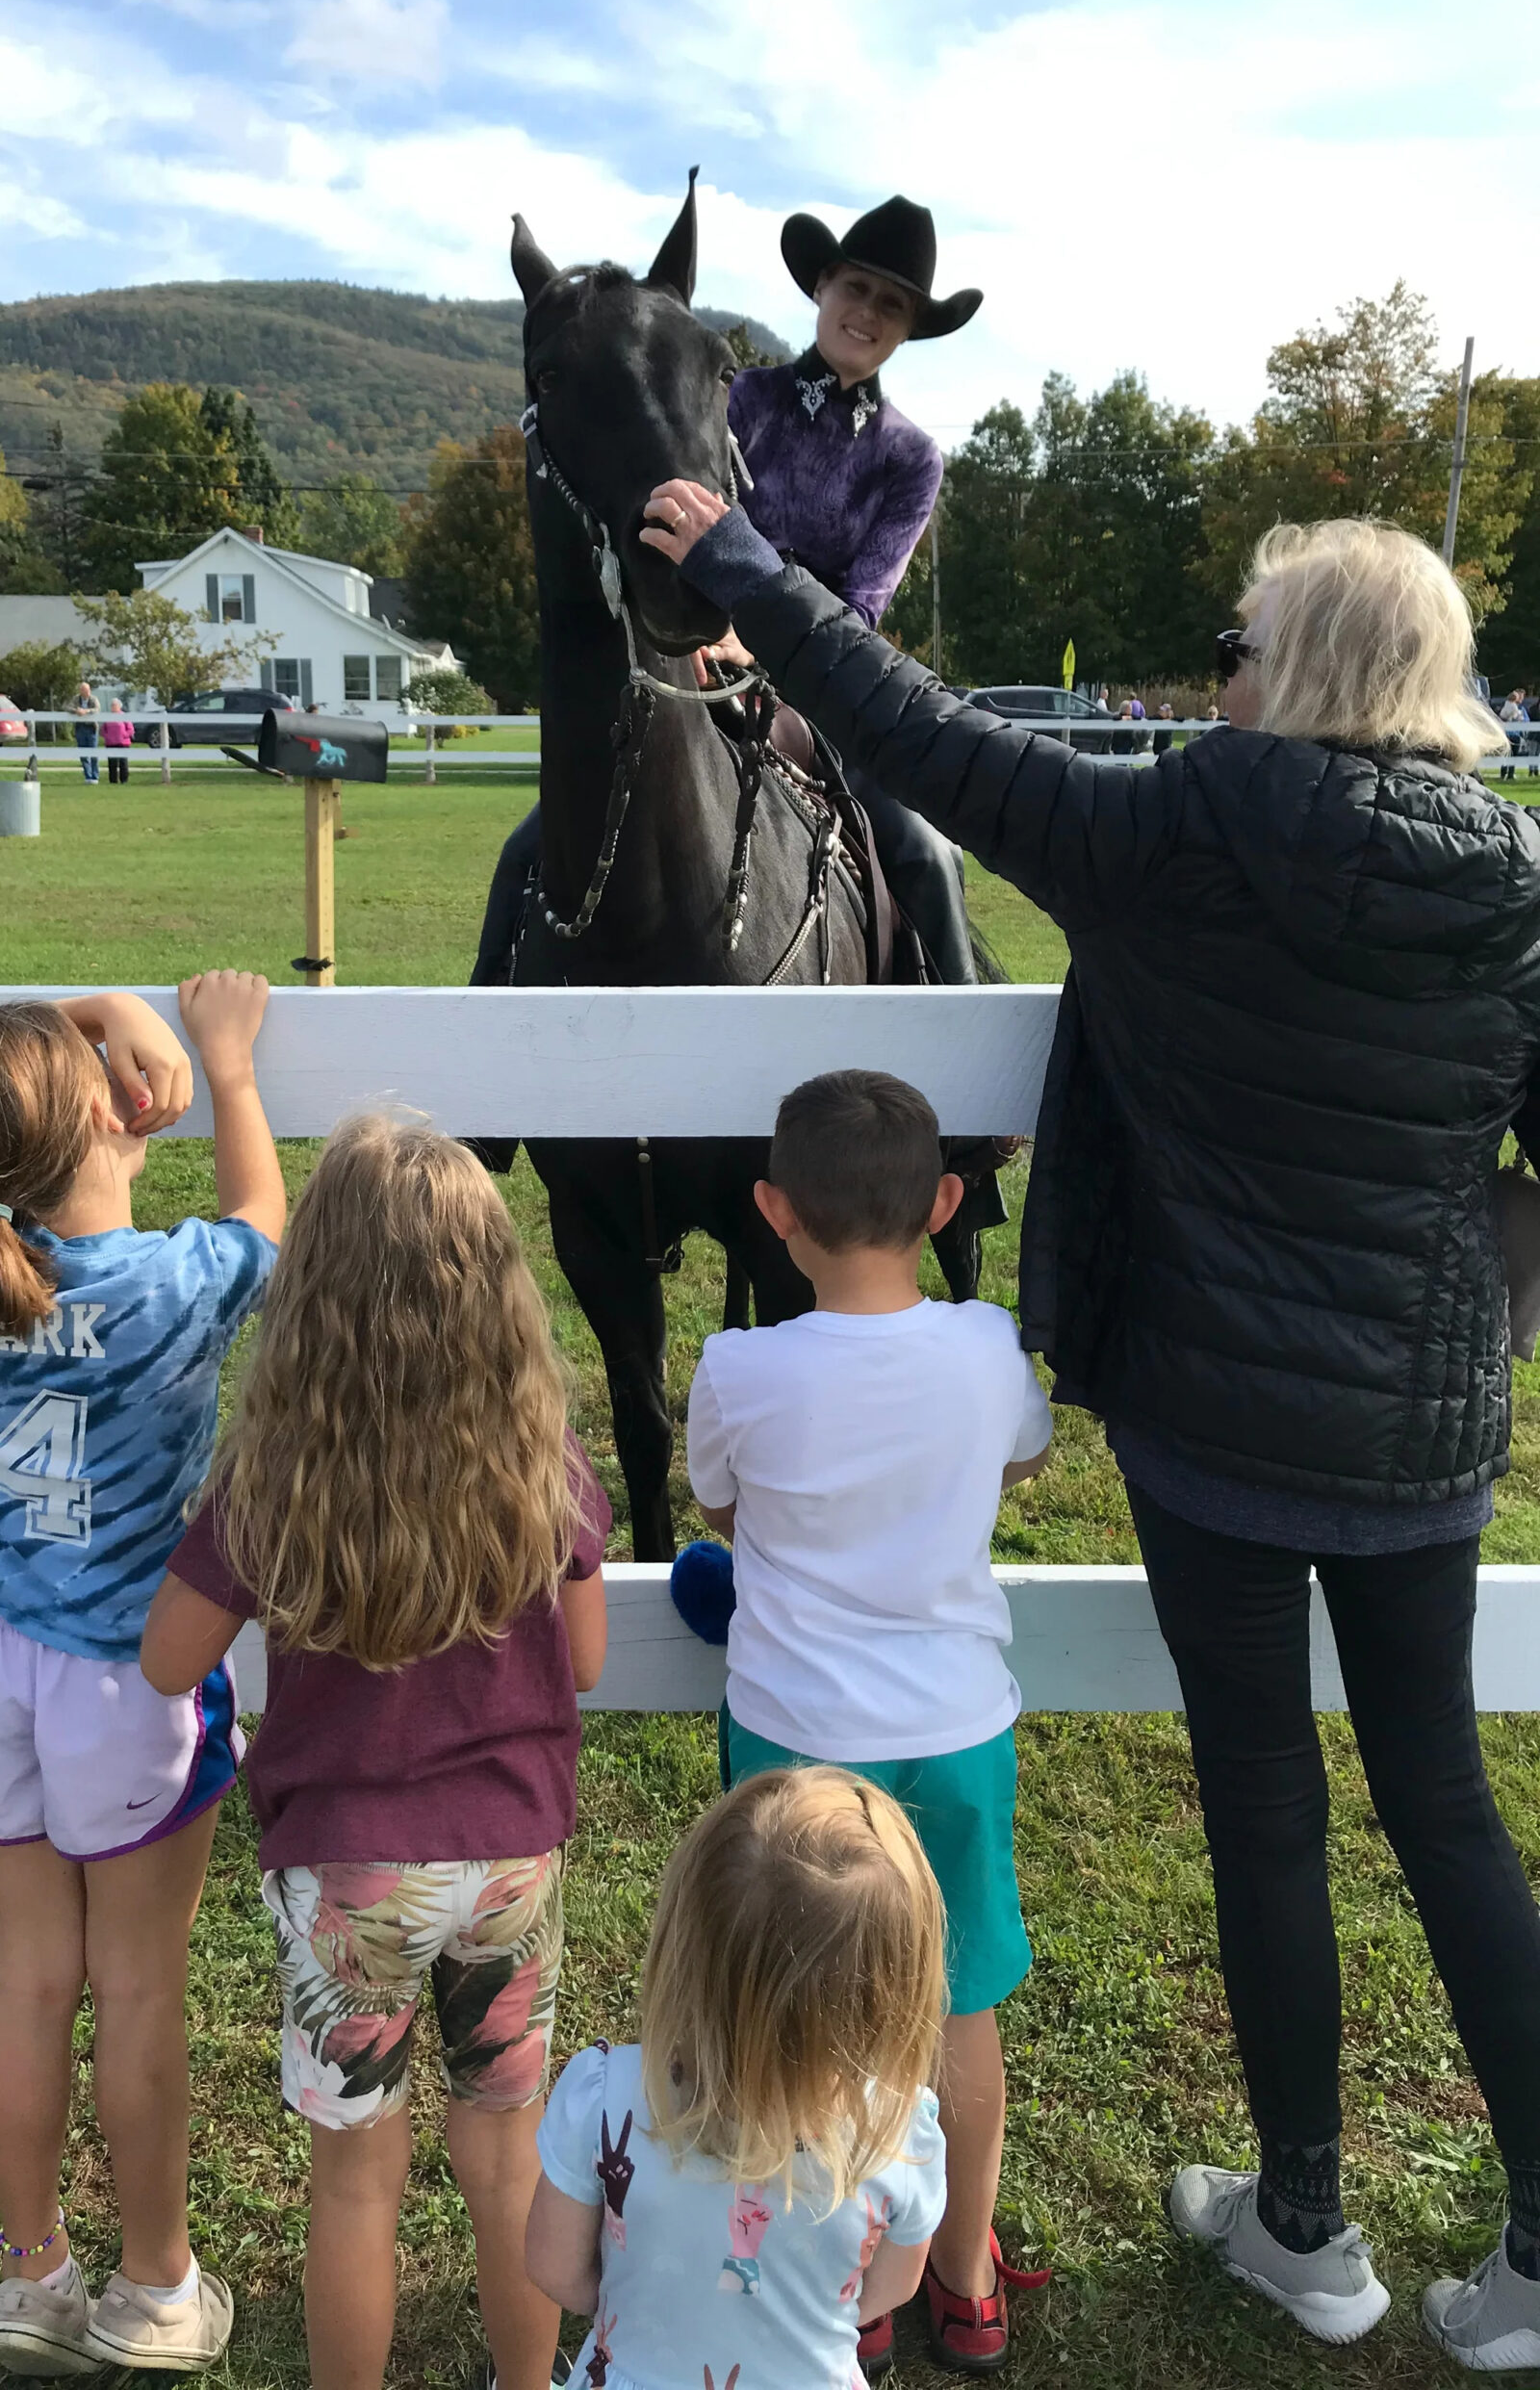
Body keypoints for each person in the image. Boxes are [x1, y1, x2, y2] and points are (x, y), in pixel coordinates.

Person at [642, 490, 1540, 2365]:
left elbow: (910, 728)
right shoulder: (1505, 878)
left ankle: (1310, 2217)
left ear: (1282, 664)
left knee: (1268, 1808)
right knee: (1446, 1806)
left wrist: (743, 564)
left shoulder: (1174, 830)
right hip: (1420, 1425)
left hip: (1215, 1417)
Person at [140, 1113, 612, 2390]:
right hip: (510, 1856)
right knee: (509, 2156)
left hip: (349, 1876)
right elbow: (587, 1662)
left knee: (357, 2180)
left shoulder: (275, 1476)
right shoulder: (542, 1460)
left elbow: (168, 1662)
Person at [0, 974, 286, 2376]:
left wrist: (91, 1019)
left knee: (25, 1977)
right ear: (121, 1123)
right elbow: (264, 1223)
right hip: (123, 1682)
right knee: (136, 1989)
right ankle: (156, 2283)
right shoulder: (172, 1287)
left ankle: (31, 2273)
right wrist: (218, 1062)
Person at [682, 1069, 1052, 2375]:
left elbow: (722, 1510)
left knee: (802, 2004)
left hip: (795, 1739)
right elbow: (1024, 1455)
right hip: (955, 1725)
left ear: (773, 1212)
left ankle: (850, 2282)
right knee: (955, 2002)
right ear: (947, 1201)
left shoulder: (738, 1367)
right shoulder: (986, 1345)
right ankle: (964, 2278)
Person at [473, 194, 986, 991]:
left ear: (908, 327)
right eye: (857, 290)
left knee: (924, 852)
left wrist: (763, 633)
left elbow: (864, 602)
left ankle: (969, 1090)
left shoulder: (911, 457)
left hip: (830, 685)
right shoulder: (734, 398)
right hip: (694, 668)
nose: (867, 314)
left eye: (892, 305)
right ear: (823, 288)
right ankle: (476, 1093)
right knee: (527, 856)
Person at [525, 1763, 948, 2390]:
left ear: (682, 1940)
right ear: (896, 1991)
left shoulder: (604, 2097)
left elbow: (556, 2269)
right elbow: (885, 2290)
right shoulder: (902, 2135)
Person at [73, 680, 100, 784]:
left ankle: (95, 777)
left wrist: (86, 711)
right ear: (81, 691)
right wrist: (76, 710)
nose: (87, 692)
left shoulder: (93, 699)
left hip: (91, 728)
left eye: (88, 690)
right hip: (80, 729)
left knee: (94, 753)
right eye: (85, 690)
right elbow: (66, 707)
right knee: (83, 754)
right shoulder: (76, 699)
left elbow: (97, 709)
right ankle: (88, 776)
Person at [104, 700, 134, 784]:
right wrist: (107, 737)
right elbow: (103, 730)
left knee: (123, 762)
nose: (113, 707)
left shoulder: (124, 716)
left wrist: (123, 735)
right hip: (110, 743)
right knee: (112, 763)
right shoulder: (108, 717)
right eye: (112, 705)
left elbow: (130, 730)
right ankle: (113, 781)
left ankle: (124, 780)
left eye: (115, 705)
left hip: (123, 743)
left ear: (119, 706)